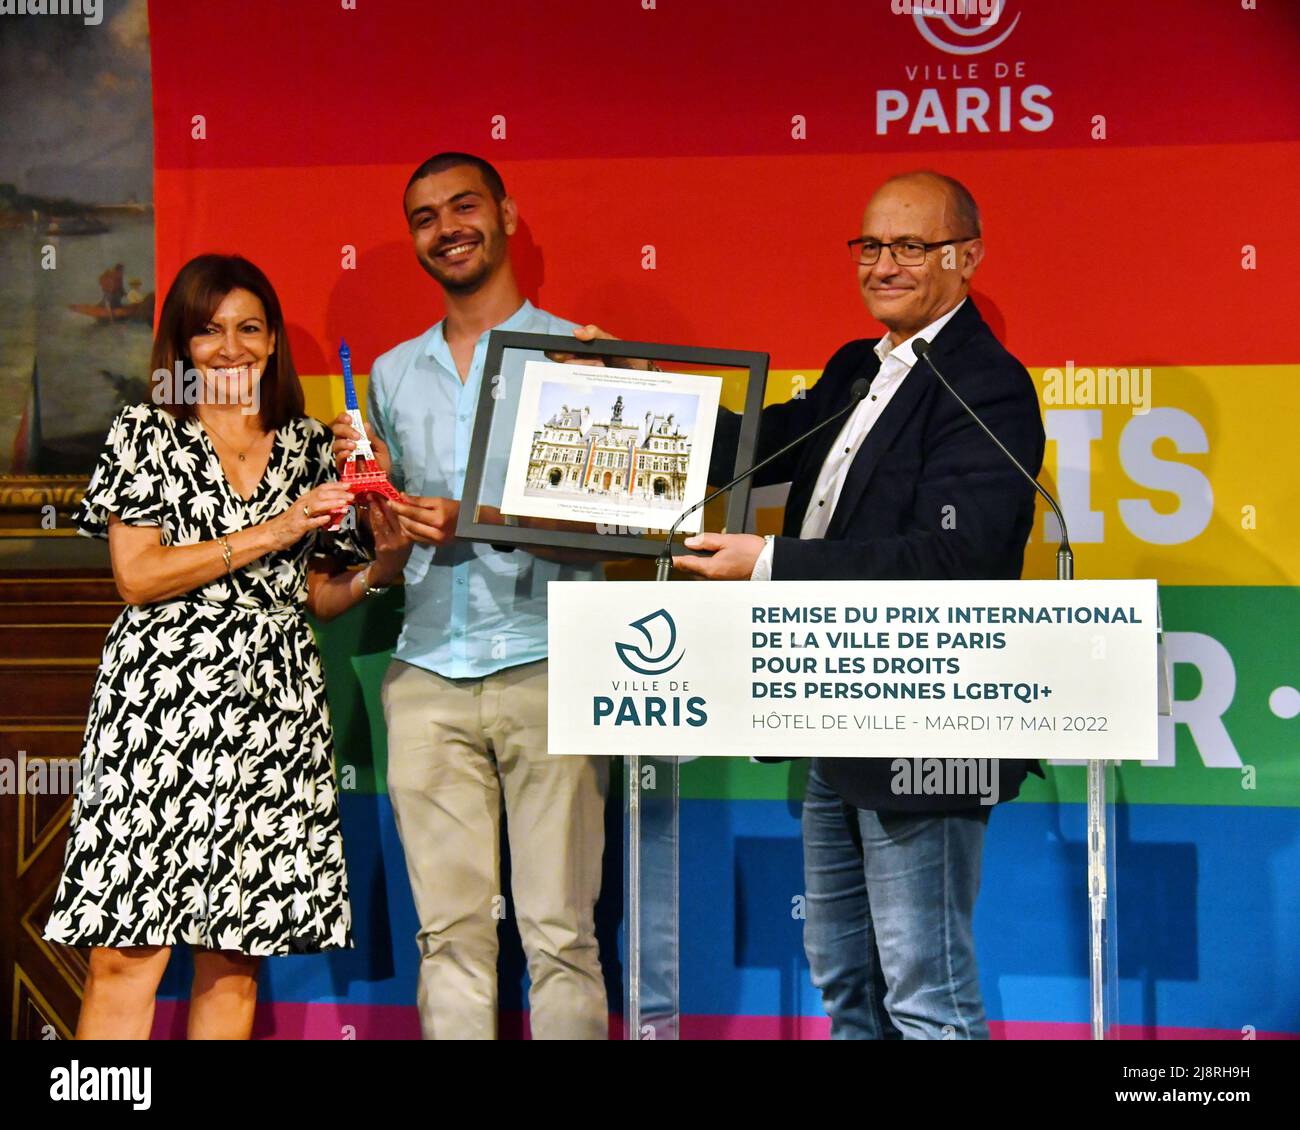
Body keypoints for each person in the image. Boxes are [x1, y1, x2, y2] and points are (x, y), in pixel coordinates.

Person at [668, 171, 1046, 1038]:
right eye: (870, 245)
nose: (884, 265)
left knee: (925, 994)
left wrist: (772, 563)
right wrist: (626, 387)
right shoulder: (854, 368)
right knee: (847, 987)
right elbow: (750, 449)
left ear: (967, 257)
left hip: (930, 723)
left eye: (910, 246)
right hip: (832, 709)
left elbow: (959, 558)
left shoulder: (987, 387)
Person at [43, 253, 409, 1039]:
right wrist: (275, 528)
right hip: (158, 711)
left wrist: (387, 557)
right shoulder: (145, 433)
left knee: (235, 954)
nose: (230, 347)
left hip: (274, 712)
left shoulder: (313, 445)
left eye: (249, 328)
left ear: (274, 341)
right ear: (180, 345)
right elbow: (137, 578)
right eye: (208, 331)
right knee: (125, 954)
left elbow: (317, 596)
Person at [330, 153, 609, 1040]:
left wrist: (475, 519)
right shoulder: (389, 373)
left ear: (508, 214)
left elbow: (617, 523)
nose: (447, 227)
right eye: (425, 216)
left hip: (551, 661)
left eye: (464, 206)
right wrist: (385, 538)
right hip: (425, 672)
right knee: (448, 936)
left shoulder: (580, 352)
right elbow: (385, 532)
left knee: (562, 935)